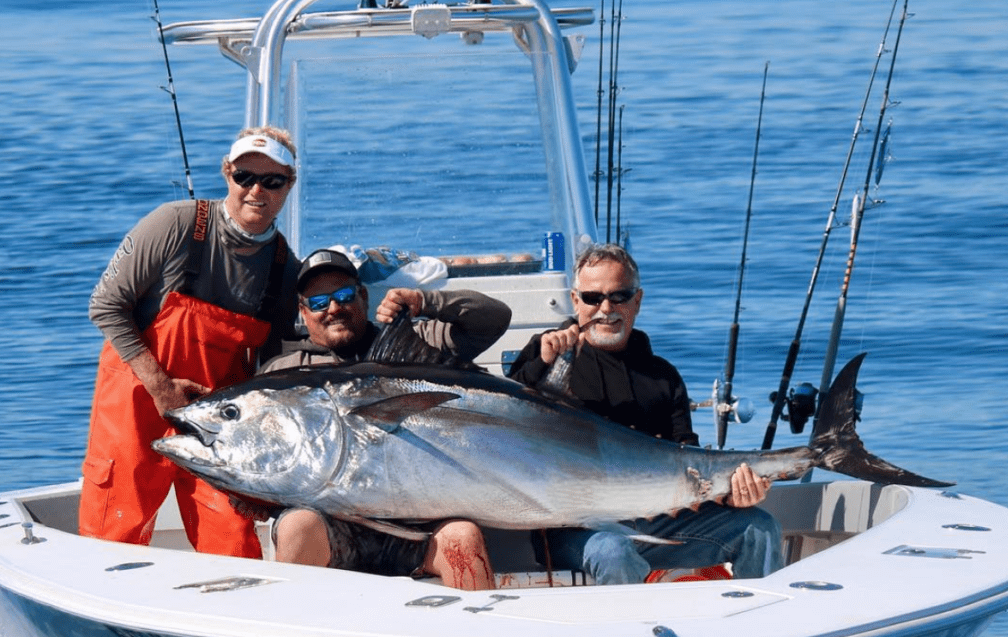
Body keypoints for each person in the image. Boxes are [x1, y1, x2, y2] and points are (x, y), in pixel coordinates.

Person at [79, 127, 301, 558]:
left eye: (272, 181)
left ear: (289, 185)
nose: (257, 190)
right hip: (136, 405)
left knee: (236, 540)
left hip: (217, 420)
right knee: (113, 539)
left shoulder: (284, 267)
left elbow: (274, 361)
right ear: (226, 174)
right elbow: (105, 306)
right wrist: (161, 388)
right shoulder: (175, 223)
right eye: (244, 177)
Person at [509, 242, 782, 585]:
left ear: (637, 301)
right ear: (576, 301)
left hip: (656, 520)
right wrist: (541, 365)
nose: (605, 308)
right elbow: (504, 423)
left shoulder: (663, 376)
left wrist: (732, 494)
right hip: (576, 528)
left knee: (759, 527)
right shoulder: (547, 356)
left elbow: (689, 466)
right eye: (593, 298)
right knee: (614, 551)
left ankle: (763, 627)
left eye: (619, 296)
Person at [258, 248, 513, 590]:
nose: (333, 308)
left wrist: (424, 301)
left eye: (344, 295)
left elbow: (494, 318)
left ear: (363, 297)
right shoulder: (283, 374)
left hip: (417, 526)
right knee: (297, 526)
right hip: (334, 527)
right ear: (303, 313)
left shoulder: (416, 347)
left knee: (462, 537)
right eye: (318, 302)